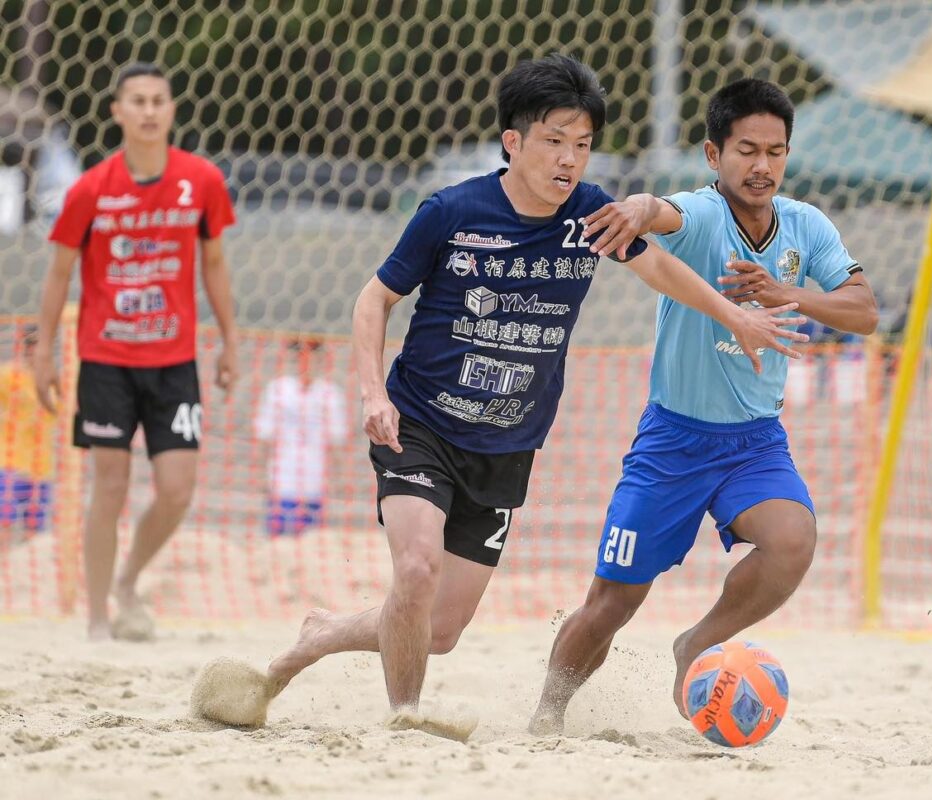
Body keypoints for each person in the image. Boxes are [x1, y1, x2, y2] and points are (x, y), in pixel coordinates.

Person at [239, 55, 807, 738]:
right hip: (419, 423)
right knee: (415, 570)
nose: (570, 159)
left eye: (583, 145)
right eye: (554, 141)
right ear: (514, 142)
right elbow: (373, 299)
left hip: (506, 448)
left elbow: (662, 270)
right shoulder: (452, 211)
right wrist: (371, 394)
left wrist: (736, 316)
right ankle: (406, 716)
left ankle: (322, 633)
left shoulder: (591, 215)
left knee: (439, 627)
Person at [528, 78, 879, 734]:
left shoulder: (807, 226)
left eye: (775, 152)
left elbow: (864, 312)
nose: (763, 165)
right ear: (715, 155)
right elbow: (660, 211)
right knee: (611, 604)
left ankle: (695, 646)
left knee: (792, 542)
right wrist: (633, 210)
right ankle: (548, 715)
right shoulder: (704, 214)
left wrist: (788, 294)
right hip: (674, 442)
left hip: (754, 442)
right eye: (747, 150)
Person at [32, 62, 238, 641]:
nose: (149, 110)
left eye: (158, 100)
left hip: (174, 362)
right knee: (111, 485)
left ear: (171, 110)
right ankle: (98, 618)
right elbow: (57, 276)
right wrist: (43, 354)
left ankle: (128, 581)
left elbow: (215, 265)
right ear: (117, 111)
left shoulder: (201, 181)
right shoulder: (90, 188)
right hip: (106, 360)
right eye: (137, 101)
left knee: (177, 490)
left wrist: (229, 342)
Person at [254, 337, 348, 536]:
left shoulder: (330, 394)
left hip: (314, 483)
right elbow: (264, 436)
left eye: (312, 355)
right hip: (282, 481)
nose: (305, 361)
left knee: (310, 542)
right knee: (277, 539)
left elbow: (336, 441)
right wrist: (260, 474)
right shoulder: (277, 390)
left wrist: (339, 478)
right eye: (300, 355)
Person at [0, 325, 55, 536]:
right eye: (33, 345)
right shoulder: (9, 375)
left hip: (41, 467)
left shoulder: (53, 380)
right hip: (10, 462)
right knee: (4, 523)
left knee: (33, 529)